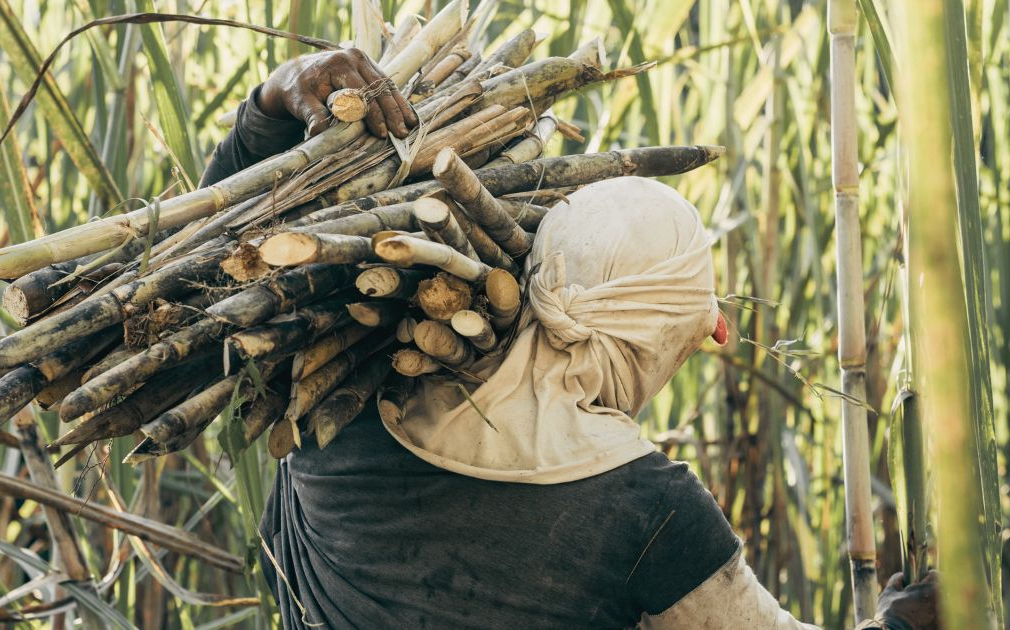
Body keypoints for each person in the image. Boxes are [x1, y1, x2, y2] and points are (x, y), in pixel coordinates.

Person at [200, 49, 939, 630]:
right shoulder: (649, 512)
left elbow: (221, 280)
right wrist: (902, 624)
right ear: (677, 335)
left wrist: (272, 100)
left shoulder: (345, 387)